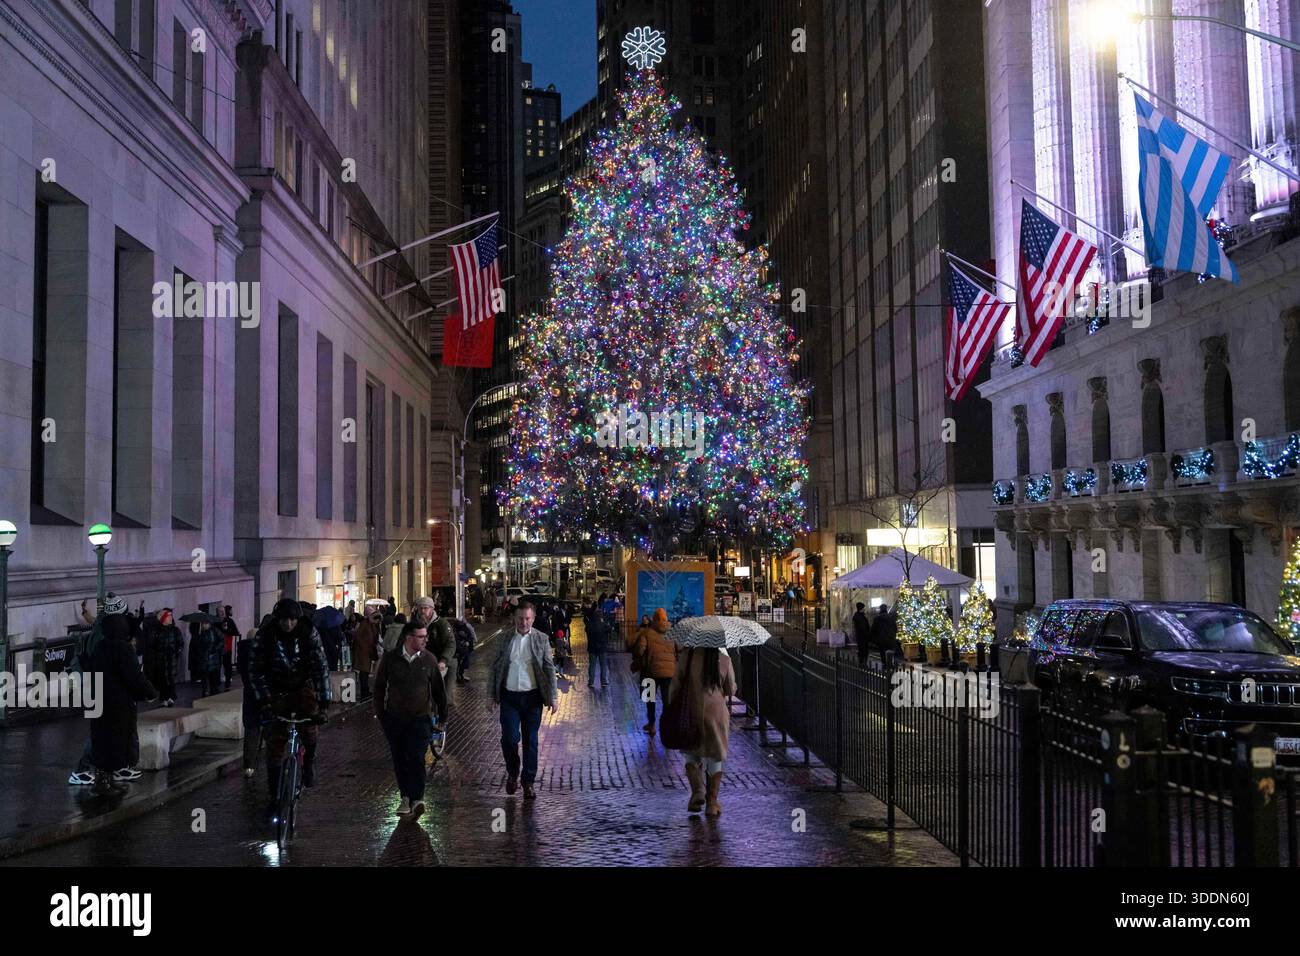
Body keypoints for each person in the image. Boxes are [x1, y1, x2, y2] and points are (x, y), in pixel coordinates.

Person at [247, 599, 331, 819]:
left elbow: (320, 667)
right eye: (284, 619)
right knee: (274, 746)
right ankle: (275, 798)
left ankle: (309, 763)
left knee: (309, 728)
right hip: (276, 691)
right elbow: (254, 671)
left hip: (302, 687)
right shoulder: (266, 636)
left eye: (292, 619)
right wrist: (263, 702)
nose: (288, 624)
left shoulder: (308, 633)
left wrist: (323, 704)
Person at [373, 619, 448, 819]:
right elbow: (379, 688)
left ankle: (417, 798)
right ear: (408, 638)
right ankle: (405, 797)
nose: (425, 640)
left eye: (425, 636)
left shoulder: (429, 659)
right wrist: (382, 715)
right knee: (400, 758)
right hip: (395, 719)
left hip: (420, 719)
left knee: (416, 757)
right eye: (421, 637)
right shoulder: (390, 659)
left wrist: (443, 715)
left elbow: (439, 690)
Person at [488, 602, 557, 799]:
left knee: (531, 741)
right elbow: (494, 667)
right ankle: (513, 770)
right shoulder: (504, 639)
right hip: (510, 697)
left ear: (533, 619)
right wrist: (491, 695)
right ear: (514, 618)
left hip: (533, 697)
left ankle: (528, 782)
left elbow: (549, 668)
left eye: (527, 618)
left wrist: (553, 696)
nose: (523, 622)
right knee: (509, 738)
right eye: (520, 618)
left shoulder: (541, 639)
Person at [88, 611, 157, 796]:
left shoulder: (100, 646)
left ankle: (104, 779)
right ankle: (105, 783)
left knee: (103, 741)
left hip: (99, 701)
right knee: (117, 742)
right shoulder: (123, 648)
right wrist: (149, 692)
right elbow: (134, 677)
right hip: (118, 704)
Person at [668, 645, 736, 816]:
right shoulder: (724, 658)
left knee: (691, 752)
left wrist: (671, 704)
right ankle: (712, 803)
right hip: (716, 712)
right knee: (715, 756)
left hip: (692, 708)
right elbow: (730, 689)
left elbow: (676, 682)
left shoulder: (688, 655)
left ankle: (697, 791)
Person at [630, 608, 678, 735]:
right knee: (667, 700)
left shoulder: (646, 633)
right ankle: (666, 726)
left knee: (650, 699)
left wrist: (636, 661)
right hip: (668, 673)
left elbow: (640, 651)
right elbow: (679, 650)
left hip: (650, 672)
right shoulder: (672, 633)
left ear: (654, 619)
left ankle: (652, 725)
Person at [236, 617, 269, 778]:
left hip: (249, 696)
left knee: (251, 730)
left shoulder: (242, 654)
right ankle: (263, 758)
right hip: (263, 696)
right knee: (268, 728)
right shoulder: (261, 653)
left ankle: (249, 765)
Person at [410, 596, 456, 705]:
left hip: (445, 661)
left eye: (425, 608)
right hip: (426, 661)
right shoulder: (415, 624)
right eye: (420, 608)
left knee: (444, 697)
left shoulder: (442, 624)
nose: (422, 611)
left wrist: (443, 661)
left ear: (432, 609)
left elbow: (450, 644)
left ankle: (442, 718)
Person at [143, 609, 182, 706]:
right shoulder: (157, 631)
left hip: (171, 659)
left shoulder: (175, 630)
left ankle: (170, 696)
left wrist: (177, 650)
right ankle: (164, 697)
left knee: (171, 678)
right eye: (169, 617)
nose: (171, 618)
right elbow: (152, 646)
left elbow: (180, 643)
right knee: (163, 679)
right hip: (161, 660)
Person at [352, 607, 382, 700]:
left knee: (366, 671)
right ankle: (364, 691)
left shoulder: (373, 625)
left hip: (368, 652)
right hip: (363, 652)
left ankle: (365, 690)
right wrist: (364, 646)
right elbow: (358, 636)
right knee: (363, 671)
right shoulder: (365, 623)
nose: (377, 622)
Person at [192, 617, 223, 696]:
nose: (204, 625)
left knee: (213, 674)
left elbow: (221, 640)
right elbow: (196, 644)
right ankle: (205, 689)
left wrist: (215, 648)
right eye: (203, 624)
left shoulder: (215, 630)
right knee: (204, 674)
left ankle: (214, 688)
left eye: (206, 623)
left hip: (213, 656)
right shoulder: (199, 632)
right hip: (203, 657)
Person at [585, 606, 611, 689]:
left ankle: (591, 681)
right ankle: (603, 681)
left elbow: (586, 629)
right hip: (602, 648)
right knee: (603, 665)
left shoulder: (589, 625)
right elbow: (609, 629)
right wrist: (603, 622)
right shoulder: (603, 625)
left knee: (592, 665)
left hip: (592, 648)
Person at [217, 605, 240, 691]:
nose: (222, 613)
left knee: (227, 665)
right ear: (217, 613)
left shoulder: (229, 621)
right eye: (220, 611)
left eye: (223, 611)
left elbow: (235, 632)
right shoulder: (215, 621)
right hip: (217, 648)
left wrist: (227, 630)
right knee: (217, 665)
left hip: (227, 647)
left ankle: (228, 681)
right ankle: (217, 682)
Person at [453, 615, 476, 685]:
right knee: (460, 663)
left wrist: (469, 642)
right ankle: (459, 677)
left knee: (463, 662)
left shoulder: (465, 626)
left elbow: (470, 635)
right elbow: (456, 638)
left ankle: (461, 676)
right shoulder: (457, 628)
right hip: (460, 649)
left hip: (465, 648)